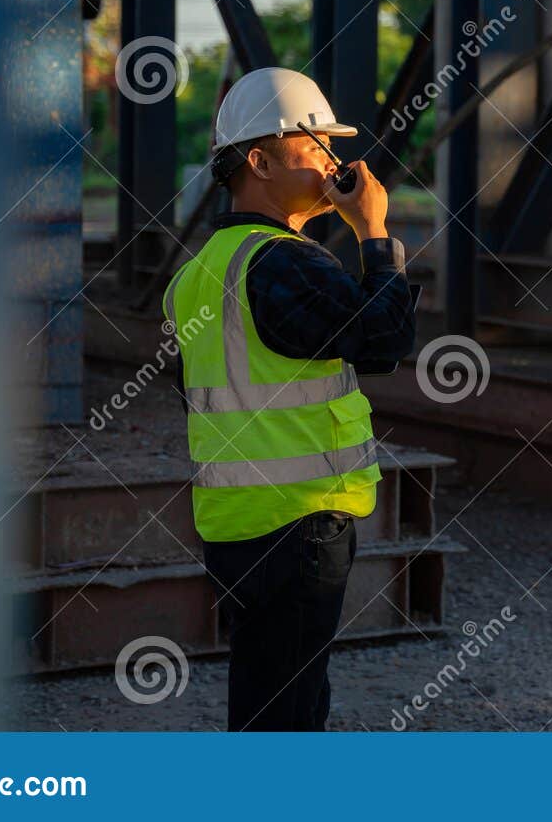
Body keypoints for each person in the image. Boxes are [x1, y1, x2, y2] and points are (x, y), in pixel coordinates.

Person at [162, 66, 416, 731]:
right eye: (316, 149)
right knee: (294, 709)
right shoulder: (283, 261)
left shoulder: (197, 274)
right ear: (259, 160)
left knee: (264, 697)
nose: (335, 163)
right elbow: (384, 340)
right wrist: (375, 236)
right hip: (300, 527)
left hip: (233, 528)